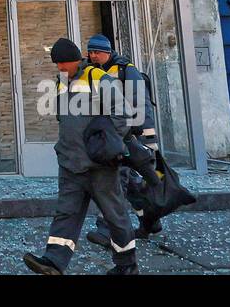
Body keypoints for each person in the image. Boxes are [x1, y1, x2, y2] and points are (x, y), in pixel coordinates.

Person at [22, 37, 143, 276]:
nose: (60, 68)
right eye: (57, 64)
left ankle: (127, 265)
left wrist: (106, 145)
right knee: (66, 211)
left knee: (114, 215)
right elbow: (64, 119)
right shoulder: (61, 81)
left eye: (64, 63)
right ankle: (54, 261)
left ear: (77, 59)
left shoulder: (99, 79)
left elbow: (123, 115)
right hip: (70, 163)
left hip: (99, 165)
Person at [82, 34, 164, 247]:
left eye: (97, 52)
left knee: (116, 180)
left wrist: (149, 139)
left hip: (127, 135)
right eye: (90, 52)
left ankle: (107, 230)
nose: (93, 56)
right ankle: (150, 220)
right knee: (131, 185)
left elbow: (141, 104)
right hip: (110, 135)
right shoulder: (93, 73)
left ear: (108, 52)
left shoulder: (126, 70)